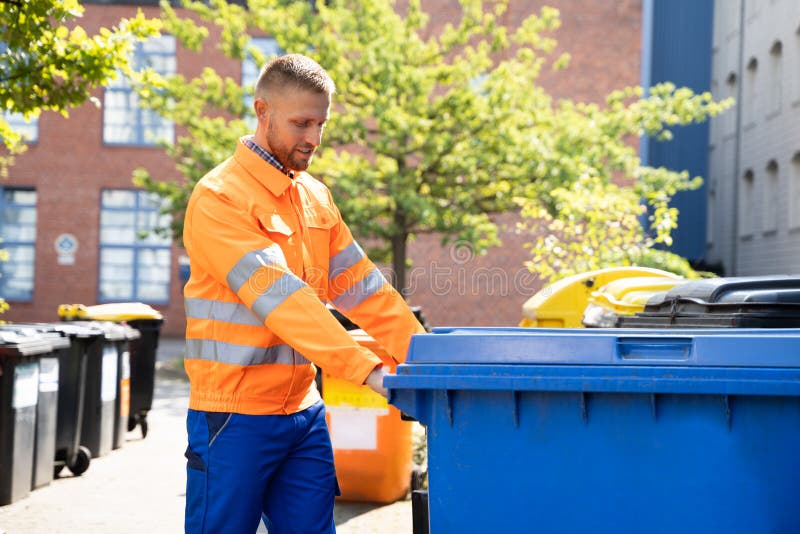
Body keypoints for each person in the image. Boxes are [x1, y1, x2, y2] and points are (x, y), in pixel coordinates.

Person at [181, 53, 425, 533]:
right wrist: (369, 372)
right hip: (233, 417)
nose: (313, 138)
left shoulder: (314, 196)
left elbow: (367, 291)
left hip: (302, 412)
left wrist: (428, 359)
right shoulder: (220, 199)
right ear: (262, 111)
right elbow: (284, 301)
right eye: (301, 123)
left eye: (322, 123)